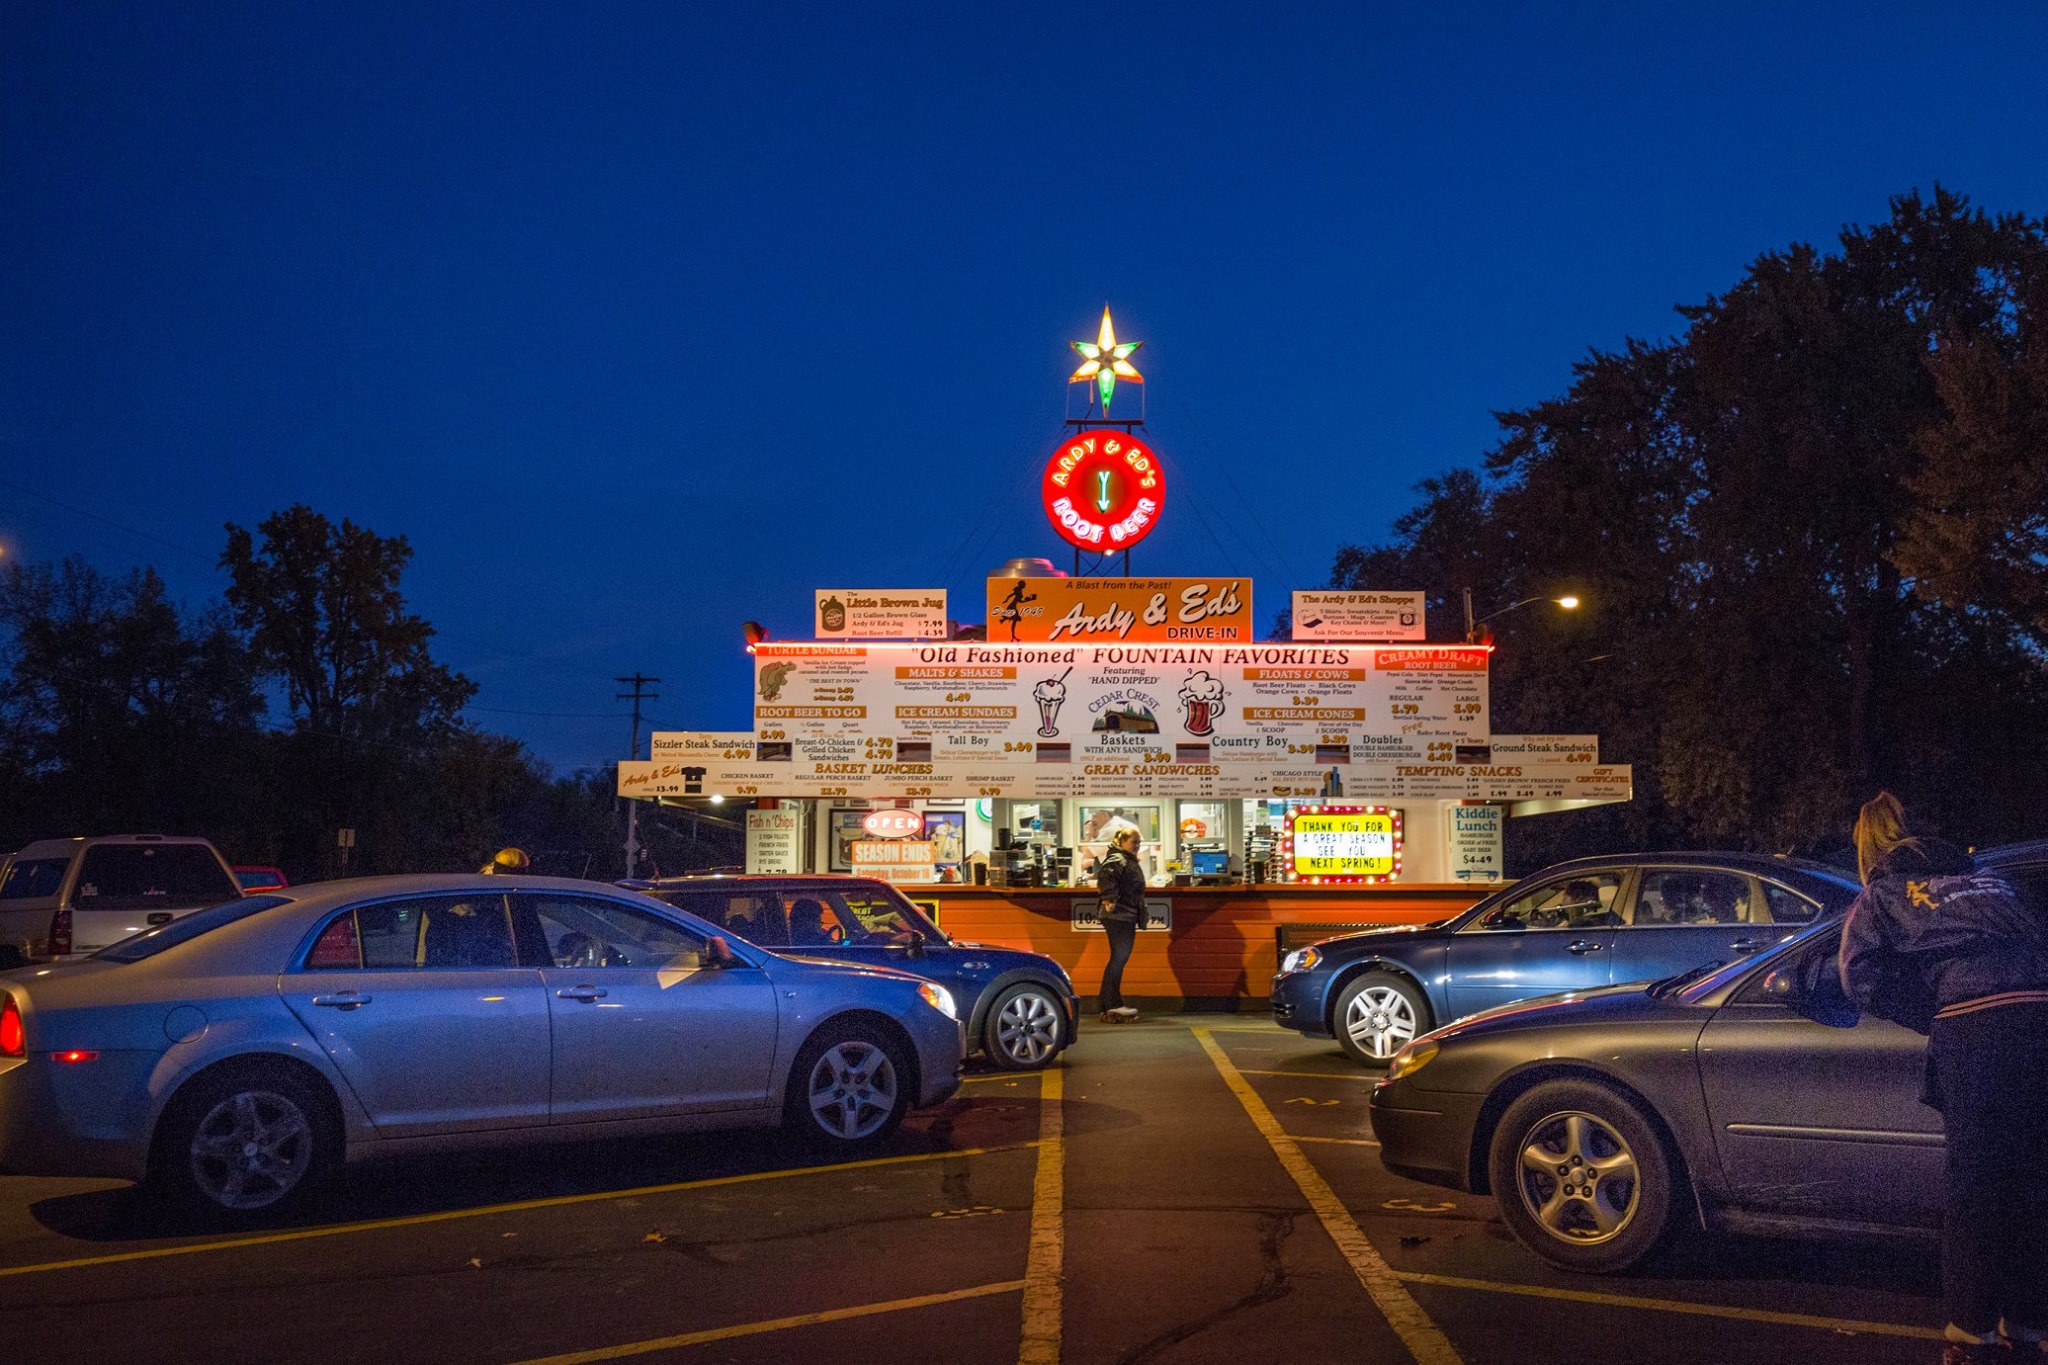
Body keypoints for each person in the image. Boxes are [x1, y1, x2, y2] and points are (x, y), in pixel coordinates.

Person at [1836, 791, 2048, 1364]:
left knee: (1975, 1185)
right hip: (2040, 1021)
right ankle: (2029, 1322)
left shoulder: (1883, 894)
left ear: (1867, 847)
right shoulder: (1995, 883)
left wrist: (1932, 1008)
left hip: (1976, 1030)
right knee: (2032, 1178)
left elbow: (1858, 975)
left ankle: (1971, 1332)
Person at [1093, 826, 1145, 1023]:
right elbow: (1105, 876)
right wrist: (1109, 898)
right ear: (1122, 842)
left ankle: (1107, 1004)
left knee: (1118, 958)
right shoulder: (1118, 858)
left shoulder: (1125, 858)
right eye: (1134, 842)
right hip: (1118, 915)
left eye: (1139, 842)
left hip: (1123, 915)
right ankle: (1112, 1003)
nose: (1137, 846)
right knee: (1119, 958)